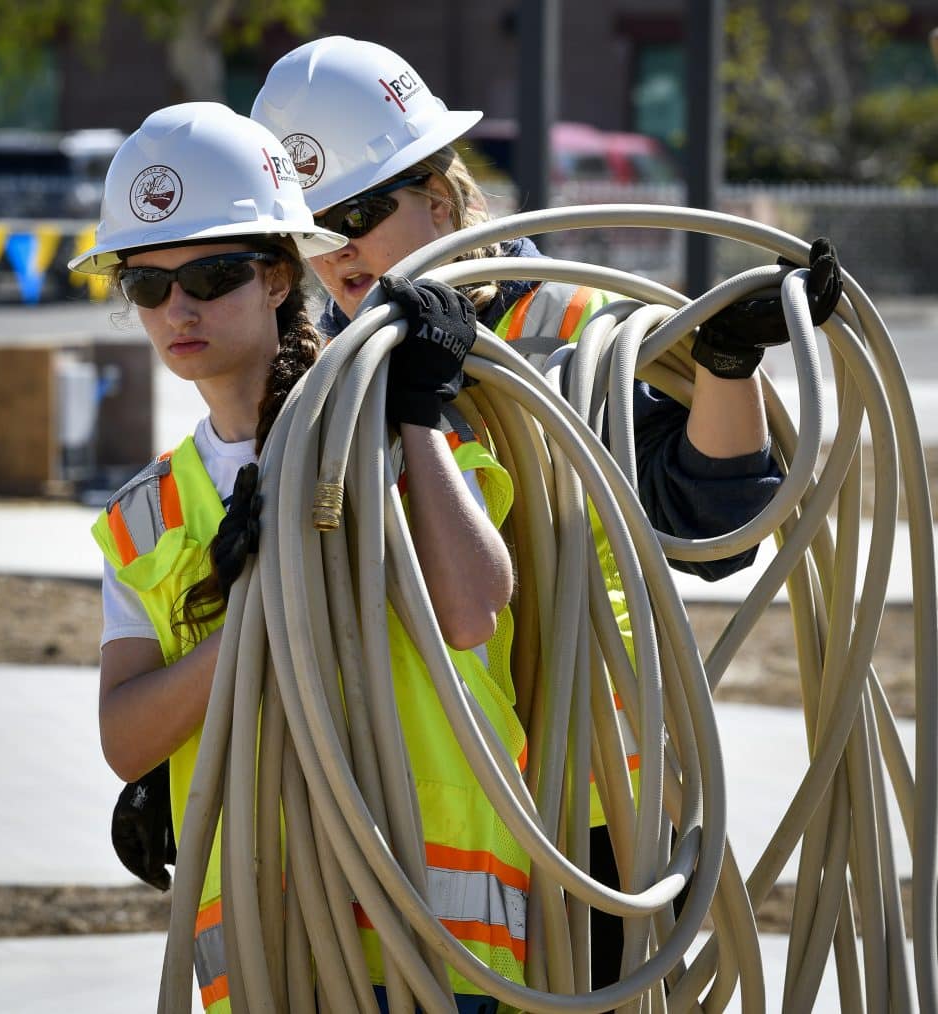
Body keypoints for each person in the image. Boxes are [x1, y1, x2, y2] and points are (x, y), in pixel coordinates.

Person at [250, 35, 843, 993]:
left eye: (357, 214)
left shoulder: (575, 332)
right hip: (420, 800)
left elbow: (710, 522)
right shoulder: (330, 384)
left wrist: (727, 367)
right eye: (311, 233)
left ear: (439, 199)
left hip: (592, 804)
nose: (339, 252)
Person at [74, 101, 531, 1013]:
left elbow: (473, 610)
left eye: (212, 273)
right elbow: (127, 741)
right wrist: (263, 619)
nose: (181, 308)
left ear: (282, 277)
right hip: (265, 948)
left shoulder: (397, 435)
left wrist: (416, 416)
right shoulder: (149, 514)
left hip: (439, 945)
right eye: (149, 286)